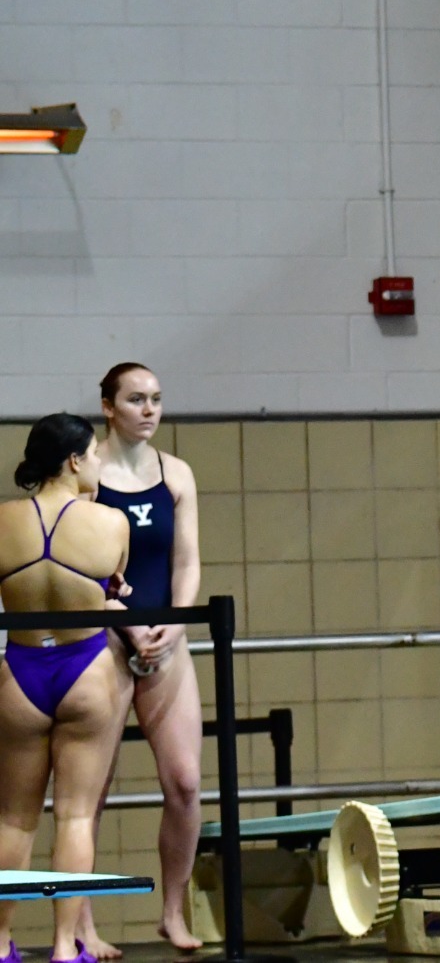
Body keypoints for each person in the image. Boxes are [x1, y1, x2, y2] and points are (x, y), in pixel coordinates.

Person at [0, 415, 132, 963]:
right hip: (86, 670)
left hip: (21, 672)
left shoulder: (2, 520)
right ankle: (63, 946)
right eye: (95, 453)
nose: (99, 463)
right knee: (75, 817)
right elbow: (115, 584)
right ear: (74, 460)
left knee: (13, 819)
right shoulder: (111, 523)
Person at [87, 365, 203, 953]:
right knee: (90, 793)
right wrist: (126, 623)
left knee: (185, 783)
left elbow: (187, 562)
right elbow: (78, 568)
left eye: (156, 398)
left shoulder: (175, 473)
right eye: (136, 400)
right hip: (104, 640)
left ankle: (173, 913)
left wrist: (174, 625)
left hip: (166, 639)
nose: (149, 409)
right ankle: (81, 923)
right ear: (109, 407)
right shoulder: (86, 475)